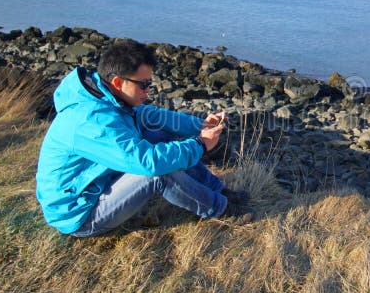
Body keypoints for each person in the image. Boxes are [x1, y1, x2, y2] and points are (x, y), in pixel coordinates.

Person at [35, 40, 252, 237]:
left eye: (150, 83)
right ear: (118, 82)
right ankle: (221, 209)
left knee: (160, 136)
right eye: (143, 84)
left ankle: (218, 190)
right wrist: (200, 145)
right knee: (157, 174)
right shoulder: (91, 121)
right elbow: (149, 164)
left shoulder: (105, 97)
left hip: (95, 183)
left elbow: (152, 116)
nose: (148, 90)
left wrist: (199, 126)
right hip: (79, 213)